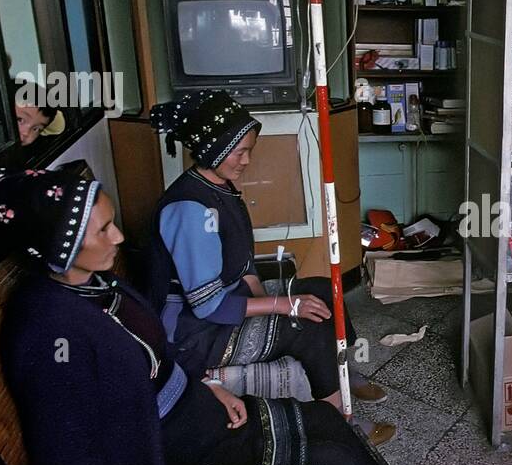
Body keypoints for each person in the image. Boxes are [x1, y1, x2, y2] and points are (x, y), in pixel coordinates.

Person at [0, 162, 468, 465]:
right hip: (170, 452)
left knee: (323, 422)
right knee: (331, 460)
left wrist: (209, 387)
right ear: (60, 246)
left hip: (191, 412)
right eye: (103, 229)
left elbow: (156, 357)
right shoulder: (46, 326)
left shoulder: (93, 286)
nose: (120, 235)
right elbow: (78, 455)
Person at [146, 90, 395, 446]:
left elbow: (244, 262)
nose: (247, 160)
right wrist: (282, 307)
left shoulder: (220, 188)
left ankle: (342, 372)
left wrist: (269, 300)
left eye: (249, 149)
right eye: (239, 151)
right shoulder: (189, 209)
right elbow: (206, 305)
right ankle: (341, 422)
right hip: (193, 334)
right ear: (210, 147)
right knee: (305, 326)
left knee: (324, 289)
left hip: (224, 307)